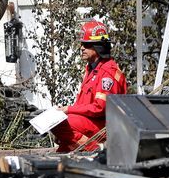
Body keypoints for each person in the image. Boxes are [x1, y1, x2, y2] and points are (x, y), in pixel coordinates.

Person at [51, 19, 128, 153]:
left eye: (86, 45)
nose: (82, 48)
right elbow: (83, 104)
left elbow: (99, 108)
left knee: (59, 123)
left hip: (104, 126)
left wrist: (68, 110)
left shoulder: (107, 73)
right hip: (90, 122)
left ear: (98, 46)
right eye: (82, 44)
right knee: (61, 144)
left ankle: (95, 150)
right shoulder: (91, 69)